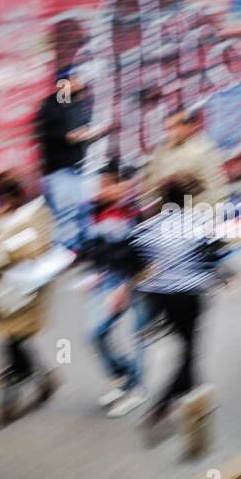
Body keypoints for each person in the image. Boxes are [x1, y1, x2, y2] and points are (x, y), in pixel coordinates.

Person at [126, 176, 224, 448]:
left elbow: (135, 261)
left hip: (162, 300)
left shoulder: (148, 229)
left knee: (187, 351)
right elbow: (212, 256)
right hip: (190, 297)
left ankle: (198, 400)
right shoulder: (197, 222)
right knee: (189, 354)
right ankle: (159, 410)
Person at [0, 172, 60, 429]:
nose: (4, 202)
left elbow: (33, 248)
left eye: (8, 197)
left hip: (25, 291)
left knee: (11, 343)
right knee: (12, 342)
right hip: (0, 291)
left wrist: (0, 251)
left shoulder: (36, 215)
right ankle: (43, 379)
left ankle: (8, 403)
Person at [80, 159, 149, 417]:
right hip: (108, 278)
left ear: (121, 185)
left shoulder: (134, 211)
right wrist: (96, 274)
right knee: (94, 333)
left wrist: (125, 287)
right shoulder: (96, 209)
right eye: (100, 185)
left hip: (137, 281)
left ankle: (137, 389)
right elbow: (96, 247)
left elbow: (141, 255)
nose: (101, 189)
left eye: (107, 184)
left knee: (140, 335)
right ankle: (124, 375)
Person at [37, 67, 107, 251]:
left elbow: (82, 133)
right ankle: (68, 260)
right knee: (66, 223)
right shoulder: (51, 106)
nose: (80, 82)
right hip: (60, 174)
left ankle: (87, 257)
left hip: (78, 171)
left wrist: (94, 133)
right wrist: (91, 133)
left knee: (84, 217)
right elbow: (70, 136)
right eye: (75, 78)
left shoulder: (74, 105)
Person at [142, 99, 230, 209]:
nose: (171, 132)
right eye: (168, 128)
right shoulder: (162, 150)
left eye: (176, 126)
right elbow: (151, 186)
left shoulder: (203, 149)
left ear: (189, 126)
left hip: (198, 211)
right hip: (167, 211)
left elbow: (217, 188)